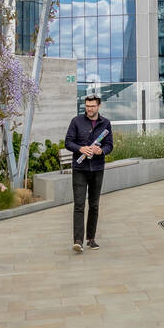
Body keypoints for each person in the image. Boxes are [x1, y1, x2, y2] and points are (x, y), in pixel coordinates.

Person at [64, 94, 114, 253]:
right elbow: (68, 142)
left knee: (94, 205)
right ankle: (78, 240)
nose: (89, 109)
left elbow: (109, 145)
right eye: (87, 106)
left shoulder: (106, 124)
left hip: (97, 169)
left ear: (98, 106)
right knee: (79, 204)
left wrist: (101, 150)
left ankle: (91, 239)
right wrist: (80, 148)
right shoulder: (76, 121)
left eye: (92, 106)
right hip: (80, 169)